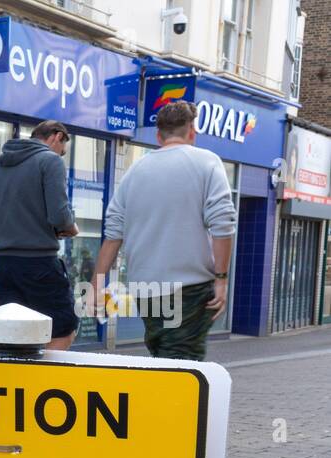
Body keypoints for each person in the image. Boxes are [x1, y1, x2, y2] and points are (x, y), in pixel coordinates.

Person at [92, 100, 236, 361]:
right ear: (192, 131)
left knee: (163, 355)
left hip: (146, 287)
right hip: (188, 288)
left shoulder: (134, 171)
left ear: (159, 135)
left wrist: (97, 285)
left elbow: (113, 233)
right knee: (180, 365)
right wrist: (222, 279)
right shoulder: (207, 162)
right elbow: (222, 225)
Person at [0, 120, 81, 350]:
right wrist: (71, 228)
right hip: (40, 265)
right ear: (56, 136)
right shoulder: (50, 161)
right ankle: (44, 382)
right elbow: (60, 216)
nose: (60, 154)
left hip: (4, 266)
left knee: (15, 337)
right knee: (63, 330)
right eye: (62, 150)